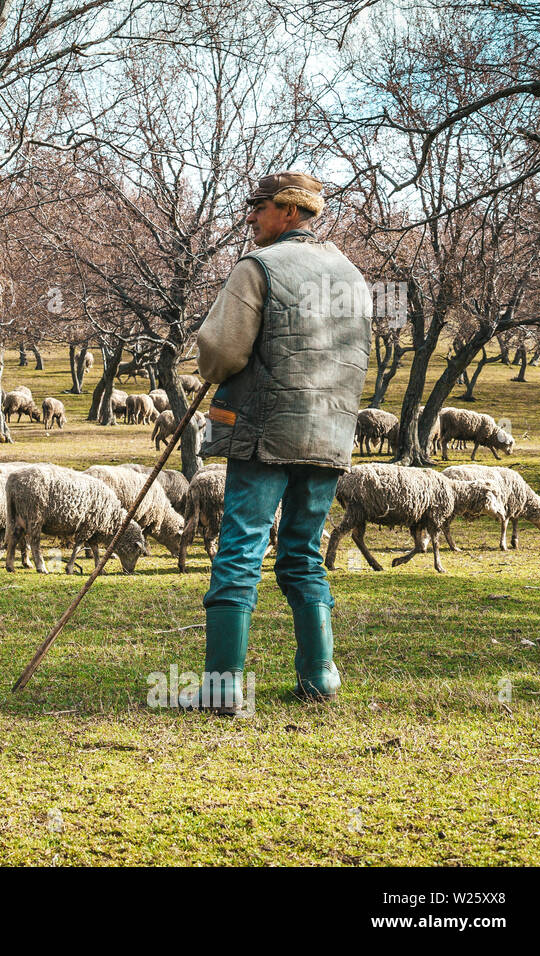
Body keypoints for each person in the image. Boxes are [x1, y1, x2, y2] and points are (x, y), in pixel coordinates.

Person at [181, 172, 372, 714]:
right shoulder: (352, 275)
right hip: (331, 434)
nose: (250, 216)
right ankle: (320, 678)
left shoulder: (257, 267)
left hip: (264, 431)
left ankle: (222, 689)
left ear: (289, 211)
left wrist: (212, 368)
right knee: (302, 553)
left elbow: (221, 352)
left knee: (240, 549)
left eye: (257, 206)